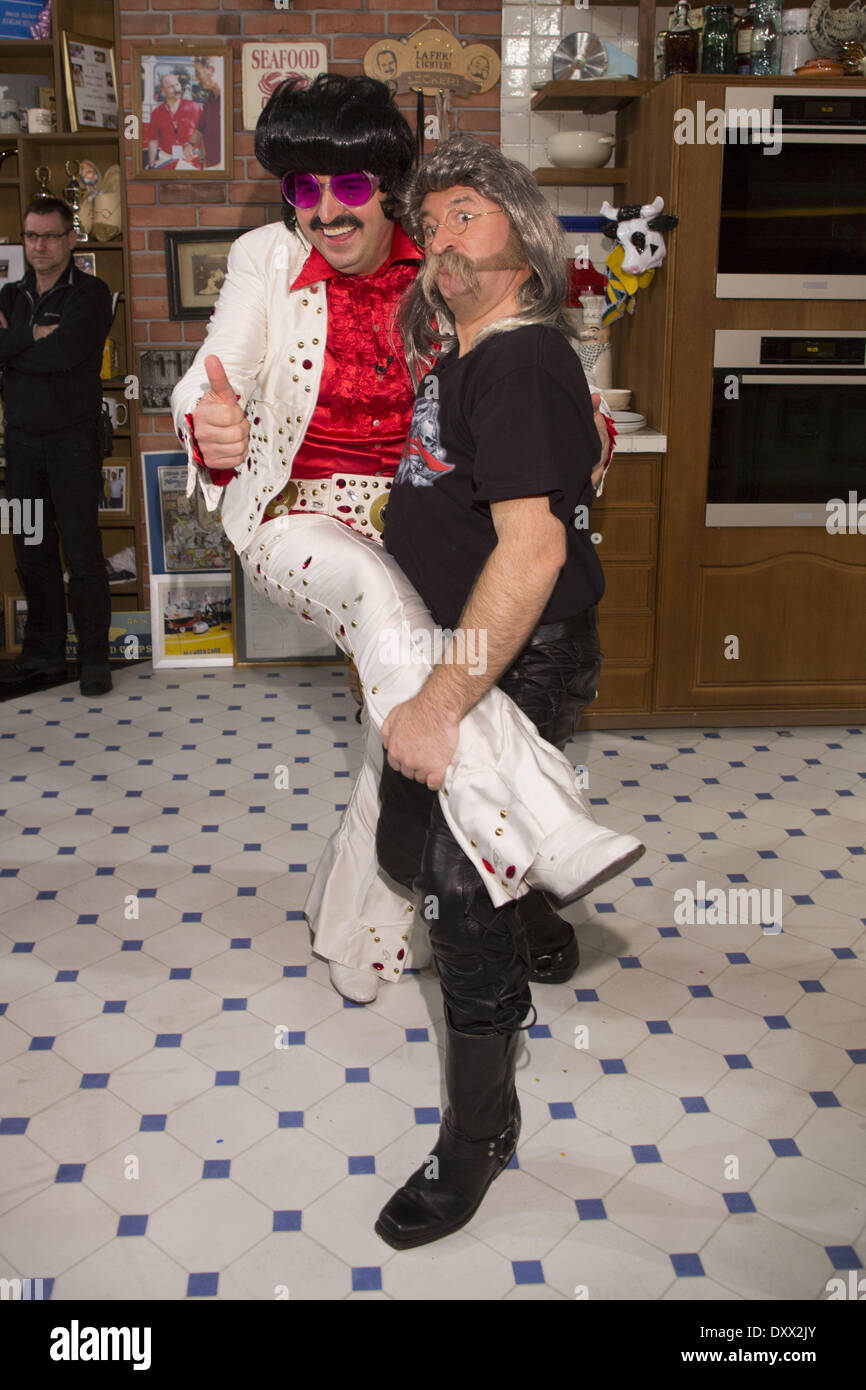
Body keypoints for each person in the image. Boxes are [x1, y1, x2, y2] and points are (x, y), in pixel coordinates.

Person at [170, 76, 636, 1004]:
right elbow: (211, 377)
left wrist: (583, 422)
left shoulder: (441, 254)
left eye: (349, 187)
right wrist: (210, 425)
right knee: (388, 623)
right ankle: (547, 824)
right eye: (305, 189)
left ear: (387, 186)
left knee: (411, 713)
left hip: (413, 524)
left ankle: (367, 924)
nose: (328, 212)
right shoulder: (266, 258)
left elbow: (532, 364)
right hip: (295, 515)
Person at [373, 133, 621, 1249]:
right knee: (402, 846)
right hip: (457, 647)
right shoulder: (470, 356)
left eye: (463, 214)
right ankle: (539, 912)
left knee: (450, 897)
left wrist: (436, 703)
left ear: (521, 237)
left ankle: (477, 1133)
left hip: (510, 656)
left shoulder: (519, 359)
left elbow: (529, 555)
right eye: (429, 225)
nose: (438, 239)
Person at [0, 197, 113, 696]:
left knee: (83, 555)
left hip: (73, 448)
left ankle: (94, 658)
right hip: (20, 451)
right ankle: (43, 653)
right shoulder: (9, 295)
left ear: (71, 238)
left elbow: (67, 354)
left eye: (49, 235)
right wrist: (34, 336)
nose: (39, 245)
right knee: (29, 549)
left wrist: (17, 347)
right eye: (30, 236)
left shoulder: (90, 294)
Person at [147, 72, 201, 171]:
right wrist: (151, 164)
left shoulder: (194, 107)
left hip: (191, 161)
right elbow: (153, 141)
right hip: (166, 159)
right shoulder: (156, 113)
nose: (176, 89)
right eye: (171, 87)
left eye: (177, 85)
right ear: (163, 91)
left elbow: (205, 134)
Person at [182, 58, 222, 170]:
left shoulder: (229, 99)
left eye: (198, 73)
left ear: (212, 70)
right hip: (210, 168)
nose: (196, 78)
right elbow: (200, 129)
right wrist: (189, 144)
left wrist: (217, 168)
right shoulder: (209, 100)